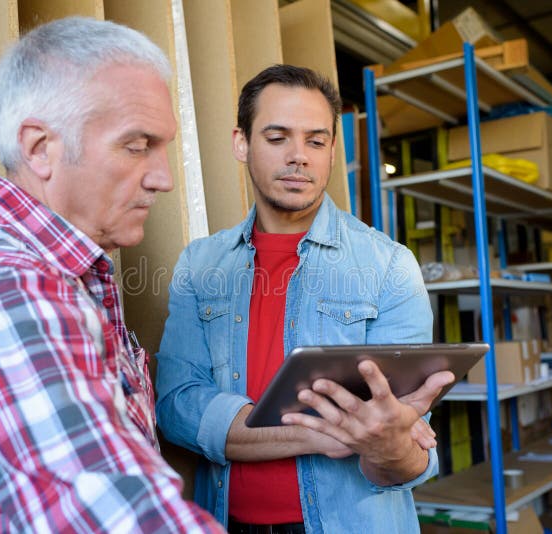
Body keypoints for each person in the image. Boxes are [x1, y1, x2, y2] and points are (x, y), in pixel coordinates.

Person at [0, 17, 223, 533]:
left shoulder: (67, 276)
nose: (164, 179)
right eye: (137, 145)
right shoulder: (2, 289)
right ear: (41, 148)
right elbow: (117, 517)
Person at [155, 64, 454, 534]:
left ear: (333, 150)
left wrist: (388, 443)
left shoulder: (389, 267)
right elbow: (176, 408)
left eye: (316, 141)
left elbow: (405, 454)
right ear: (241, 143)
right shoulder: (200, 266)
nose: (299, 157)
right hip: (225, 521)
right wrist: (330, 431)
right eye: (277, 138)